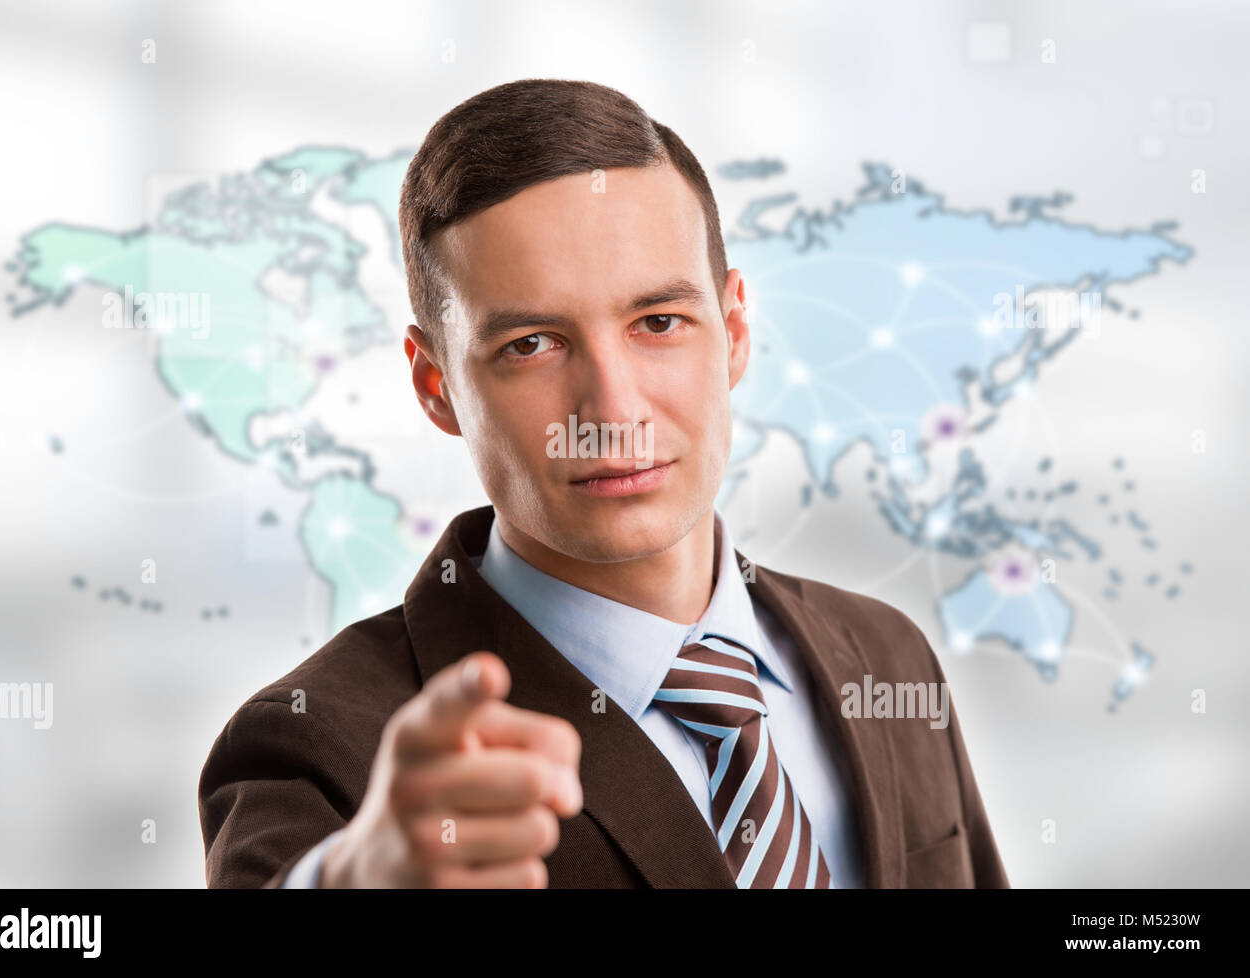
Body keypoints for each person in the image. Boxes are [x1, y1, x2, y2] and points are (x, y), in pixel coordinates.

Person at [197, 77, 1010, 889]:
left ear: (733, 332)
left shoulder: (887, 658)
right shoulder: (317, 751)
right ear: (436, 386)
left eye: (658, 323)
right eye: (530, 344)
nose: (613, 412)